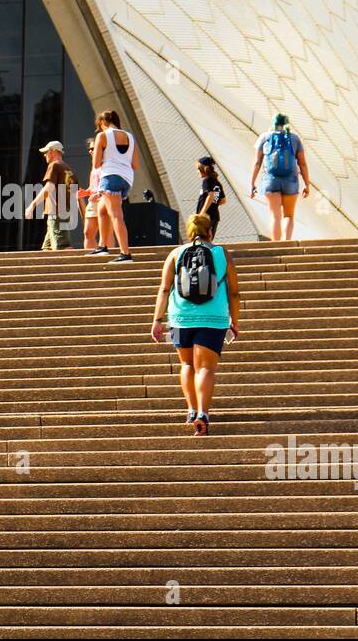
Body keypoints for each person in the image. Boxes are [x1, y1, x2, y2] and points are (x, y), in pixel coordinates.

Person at [150, 213, 239, 436]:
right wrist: (234, 321)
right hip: (213, 317)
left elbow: (164, 288)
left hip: (181, 316)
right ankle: (203, 414)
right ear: (211, 232)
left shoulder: (175, 253)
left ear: (188, 233)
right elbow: (235, 292)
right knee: (206, 367)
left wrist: (157, 320)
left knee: (187, 365)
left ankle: (190, 410)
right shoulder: (221, 253)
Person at [249, 114, 311, 241]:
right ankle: (287, 244)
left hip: (270, 180)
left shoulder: (265, 137)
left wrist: (252, 183)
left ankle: (276, 245)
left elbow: (257, 162)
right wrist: (307, 184)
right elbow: (302, 163)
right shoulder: (295, 139)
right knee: (288, 215)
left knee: (275, 216)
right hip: (291, 180)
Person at [88, 110, 138, 262]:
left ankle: (125, 253)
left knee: (116, 215)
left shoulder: (102, 136)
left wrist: (105, 155)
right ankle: (102, 246)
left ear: (103, 122)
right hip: (127, 178)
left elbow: (96, 164)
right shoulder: (130, 137)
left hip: (110, 176)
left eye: (100, 126)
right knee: (102, 210)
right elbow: (135, 164)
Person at [26, 141, 75, 251]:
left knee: (63, 247)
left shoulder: (54, 165)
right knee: (47, 248)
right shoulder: (68, 168)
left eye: (46, 152)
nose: (44, 155)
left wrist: (32, 205)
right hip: (63, 211)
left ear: (53, 152)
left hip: (56, 212)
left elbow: (49, 187)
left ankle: (73, 267)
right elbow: (74, 192)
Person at [77, 138, 106, 251]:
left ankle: (108, 261)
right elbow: (94, 186)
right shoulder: (94, 166)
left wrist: (99, 194)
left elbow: (110, 184)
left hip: (105, 200)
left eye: (93, 148)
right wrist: (85, 192)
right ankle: (89, 258)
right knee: (88, 232)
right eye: (89, 149)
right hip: (93, 201)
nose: (90, 151)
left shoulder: (107, 164)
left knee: (106, 235)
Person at [195, 156, 226, 233]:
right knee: (208, 240)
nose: (197, 172)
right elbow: (223, 200)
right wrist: (213, 205)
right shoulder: (217, 182)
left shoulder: (207, 180)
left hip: (205, 218)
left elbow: (210, 196)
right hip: (215, 216)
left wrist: (202, 213)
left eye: (198, 169)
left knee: (200, 241)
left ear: (203, 169)